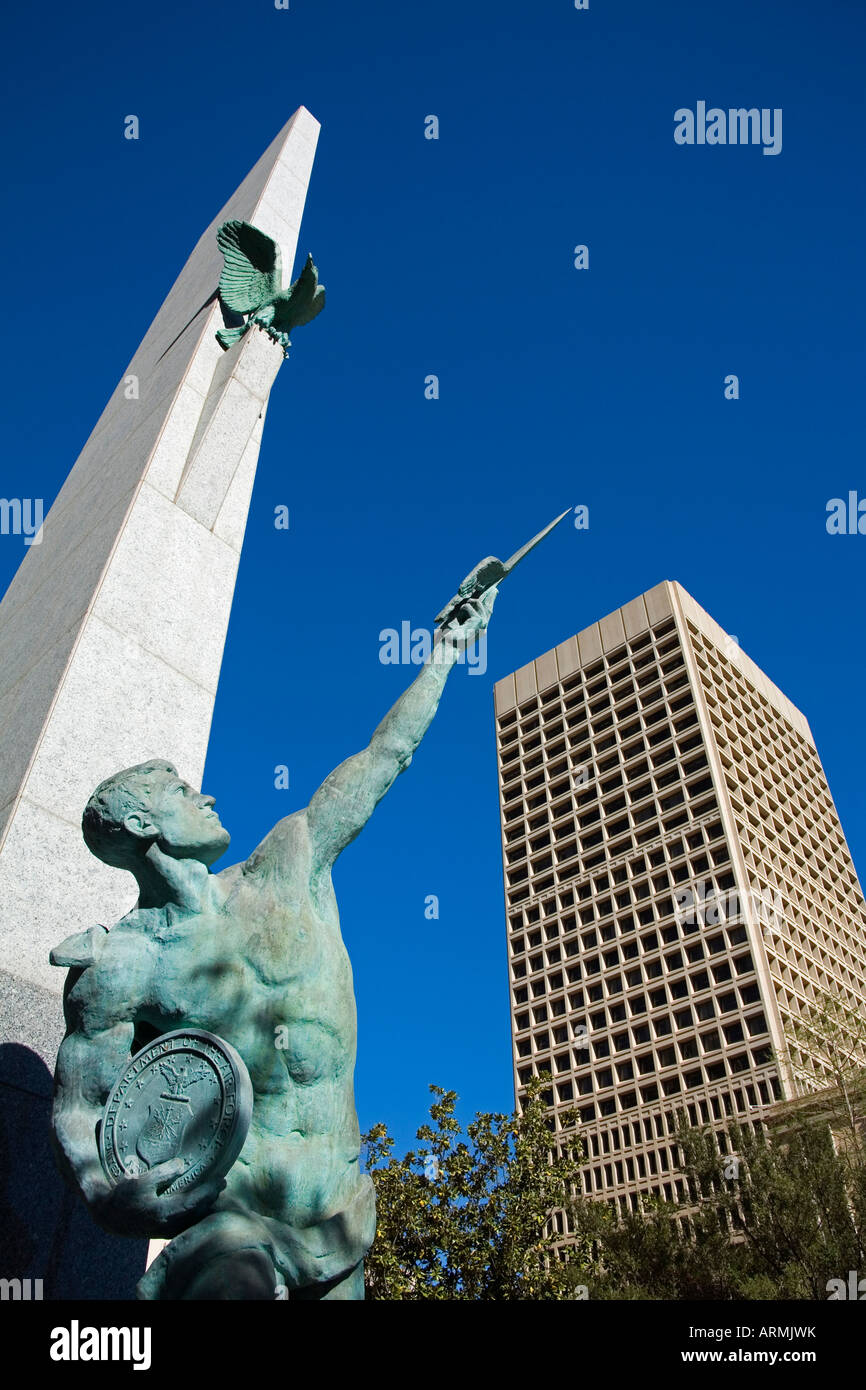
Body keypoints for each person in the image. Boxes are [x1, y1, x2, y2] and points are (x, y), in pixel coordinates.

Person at [49, 592, 495, 1300]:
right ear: (140, 823)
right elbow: (81, 1112)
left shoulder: (292, 858)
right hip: (237, 1224)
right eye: (182, 792)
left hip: (343, 1222)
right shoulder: (123, 963)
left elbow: (386, 757)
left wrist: (444, 654)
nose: (209, 798)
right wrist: (113, 1196)